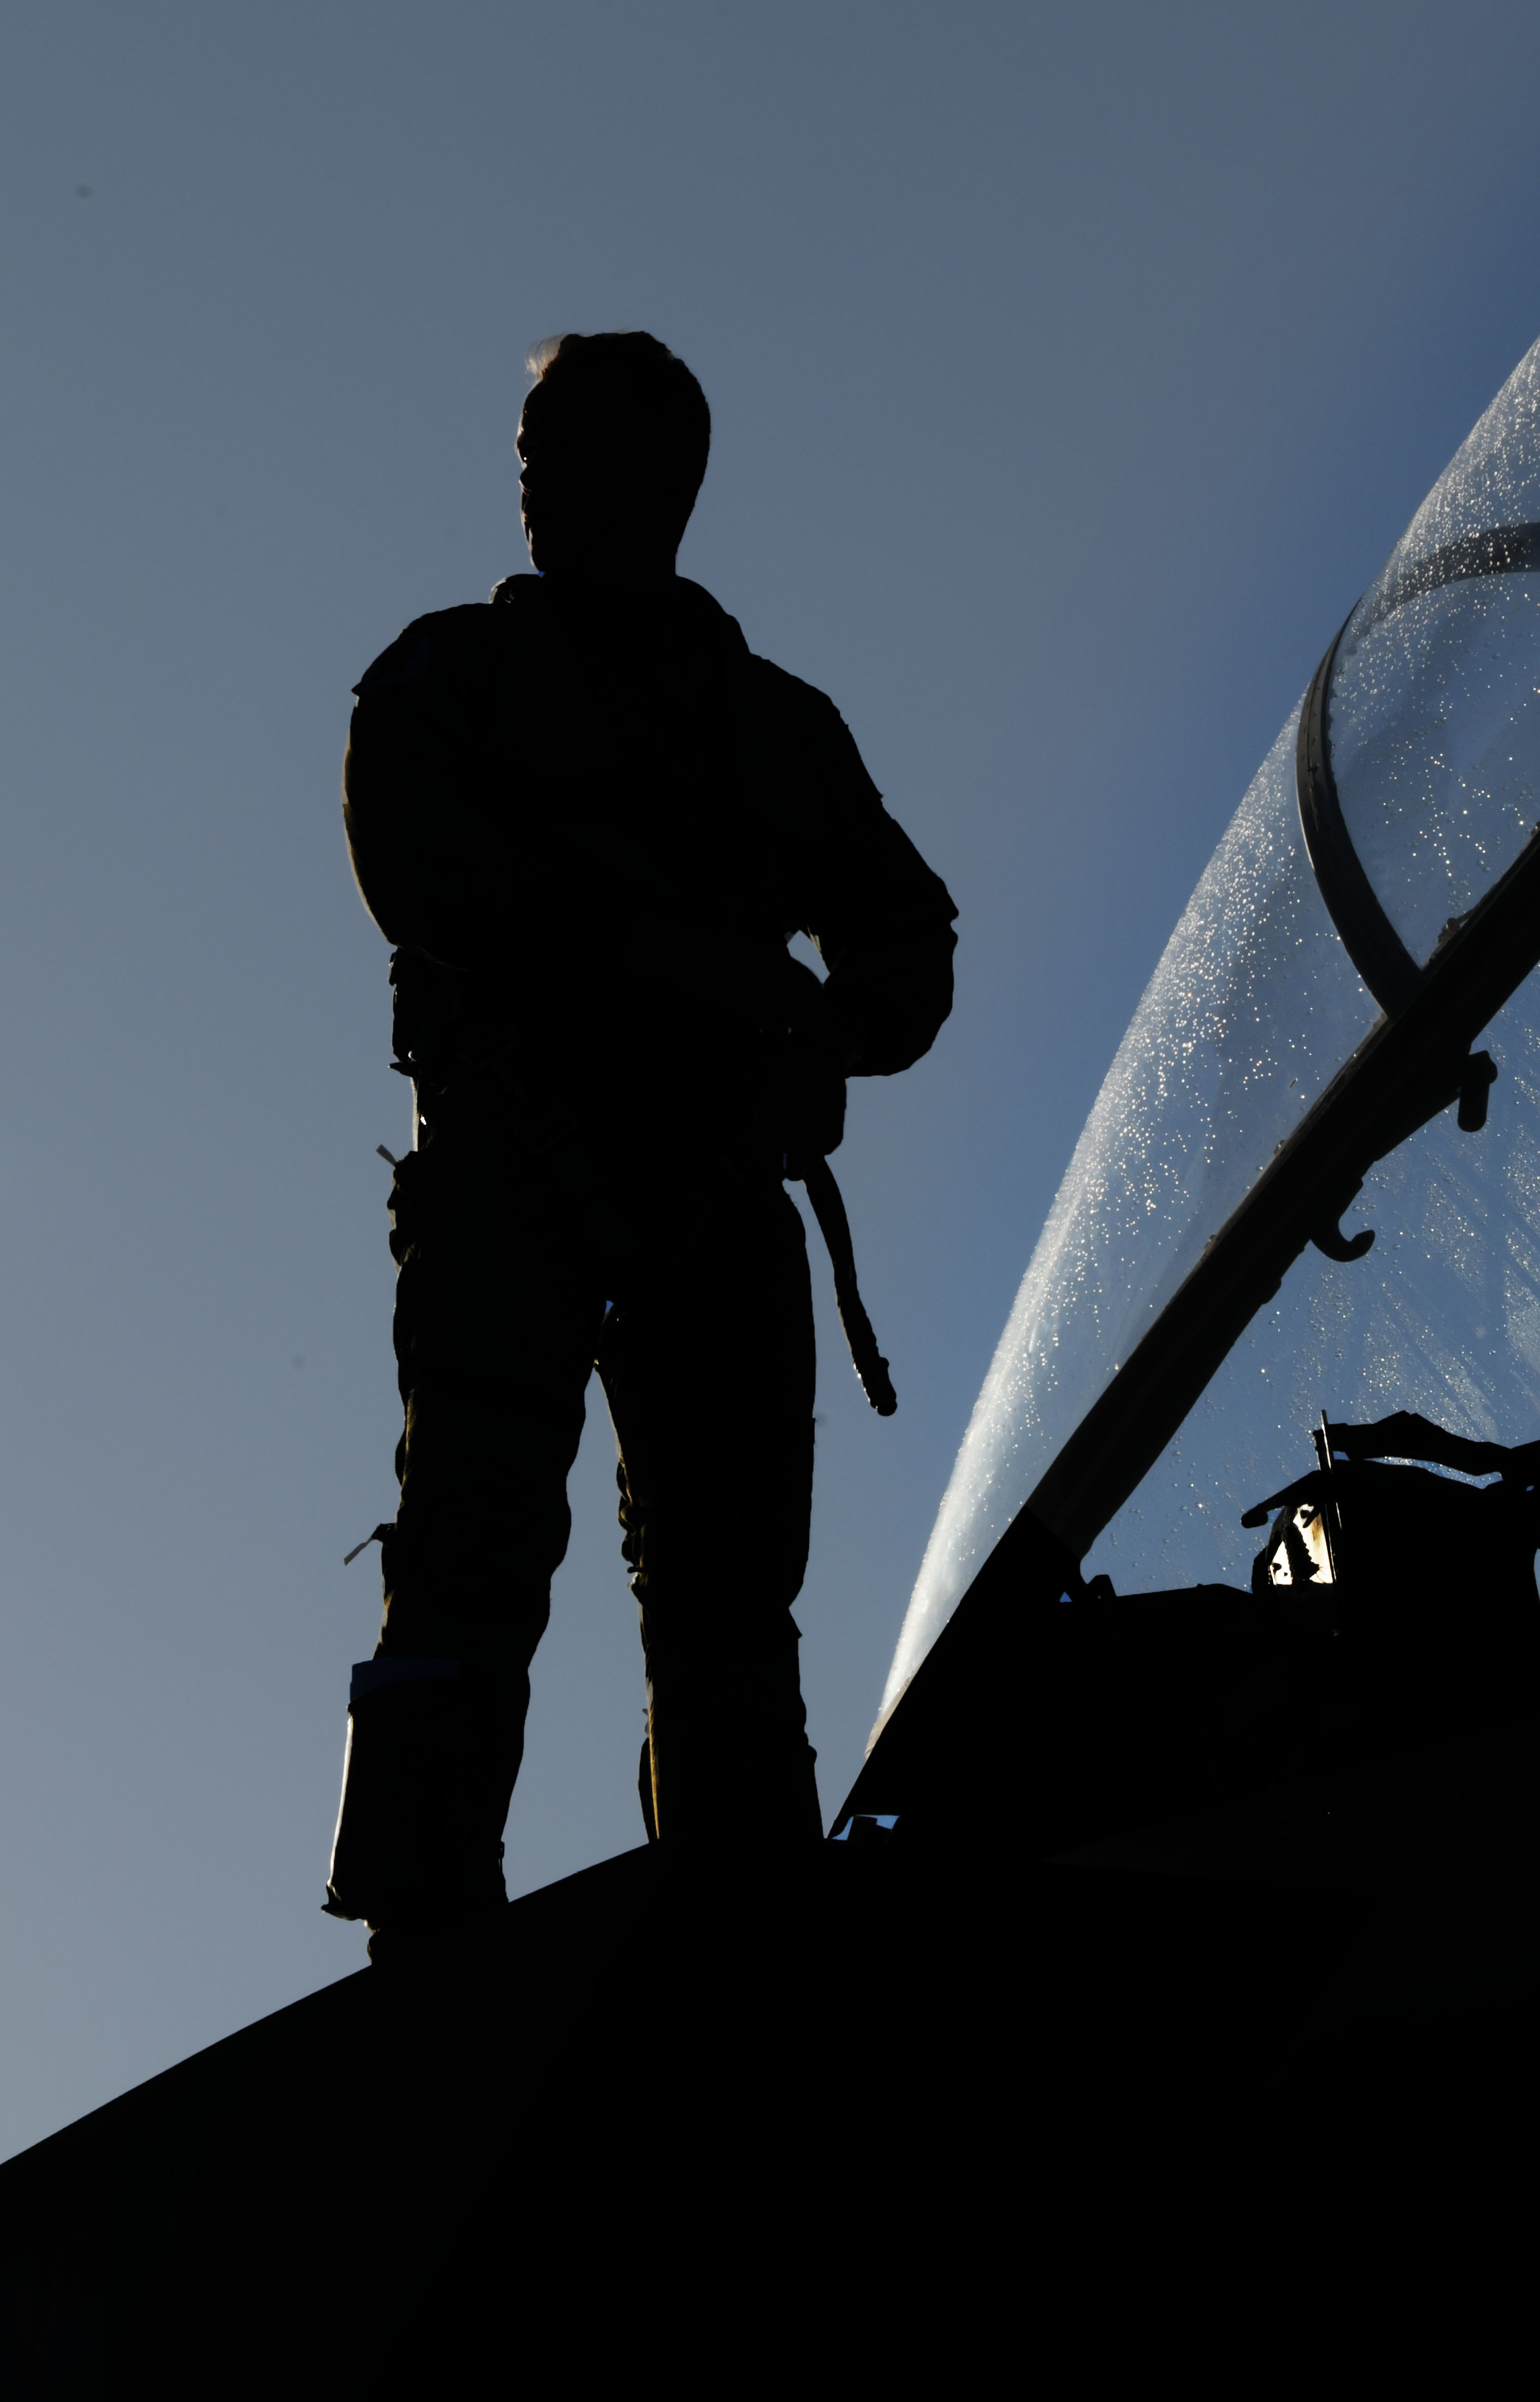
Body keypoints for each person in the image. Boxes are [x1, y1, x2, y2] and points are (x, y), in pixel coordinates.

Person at [328, 330, 956, 1957]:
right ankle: (422, 1941)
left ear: (661, 479)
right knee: (465, 1565)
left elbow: (907, 942)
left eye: (567, 448)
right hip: (511, 1183)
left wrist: (823, 1034)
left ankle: (745, 1945)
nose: (533, 478)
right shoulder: (448, 680)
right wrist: (688, 967)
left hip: (712, 1202)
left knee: (727, 1614)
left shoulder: (776, 728)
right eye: (529, 450)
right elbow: (419, 865)